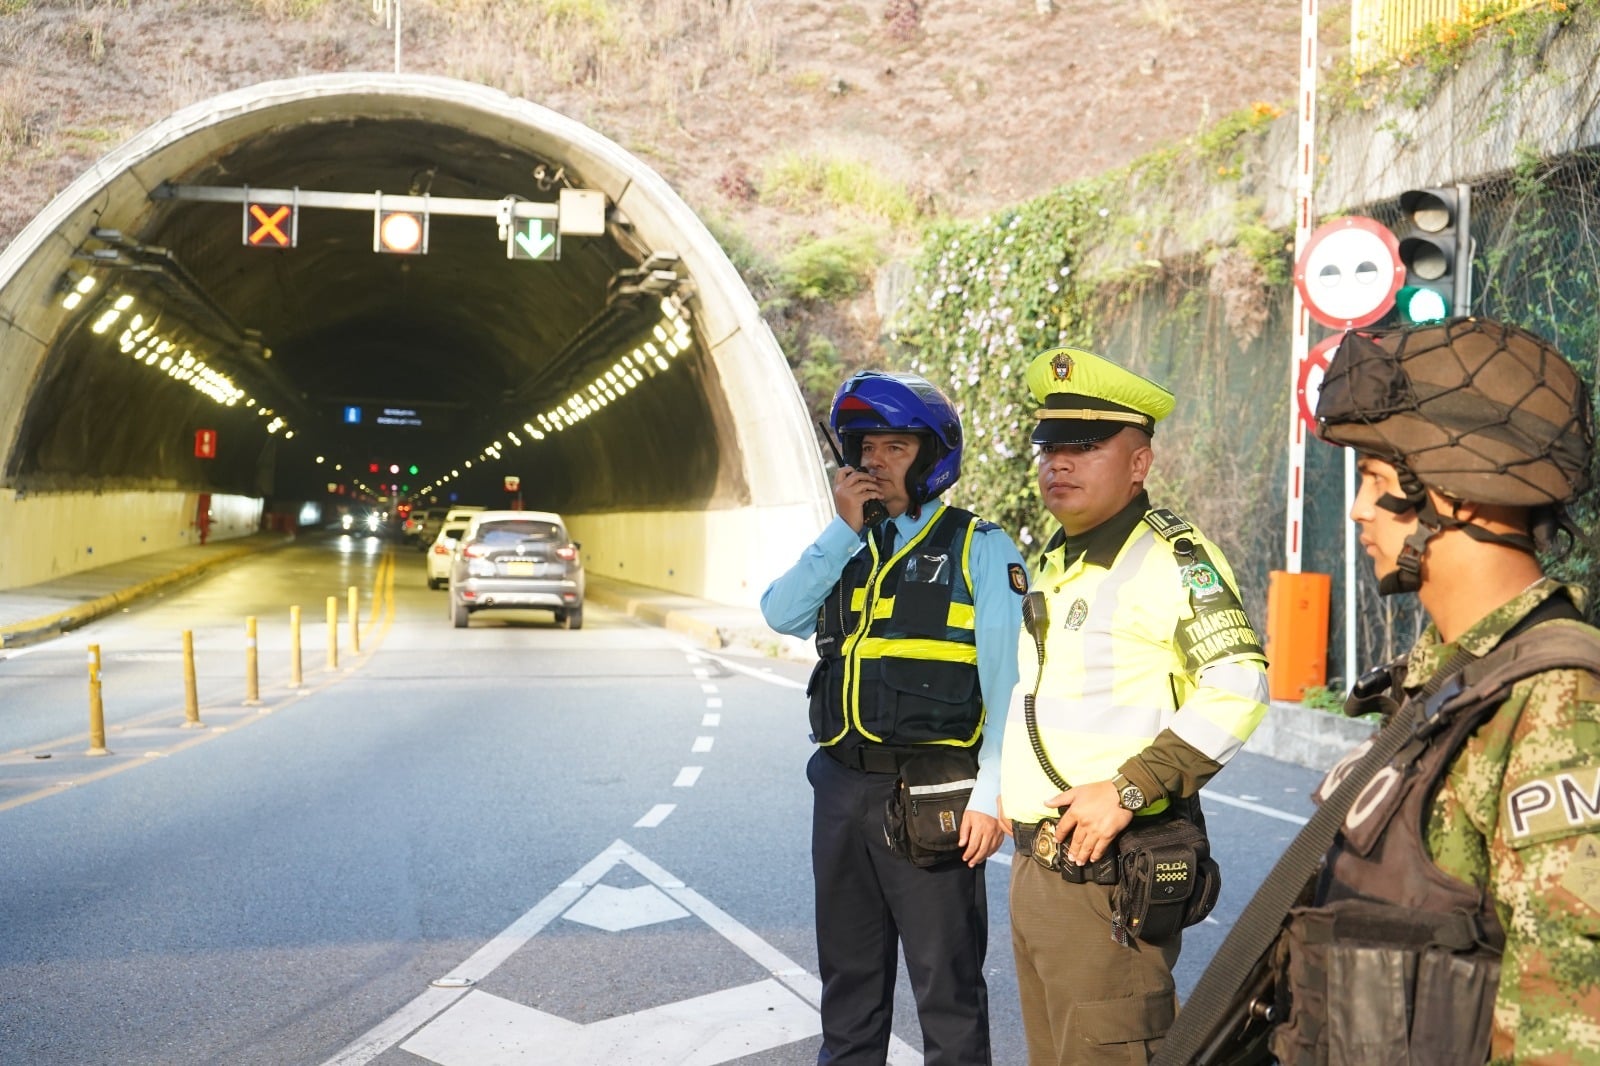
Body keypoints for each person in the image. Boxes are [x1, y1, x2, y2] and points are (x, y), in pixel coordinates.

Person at [1250, 317, 1600, 1065]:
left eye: (1378, 483)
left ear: (1463, 499)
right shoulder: (1448, 677)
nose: (1357, 510)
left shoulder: (1558, 704)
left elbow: (1568, 1022)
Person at [999, 346, 1270, 1064]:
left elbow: (1240, 684)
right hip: (1038, 868)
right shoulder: (1061, 557)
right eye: (1049, 446)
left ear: (1139, 463)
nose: (1058, 462)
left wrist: (1130, 787)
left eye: (1084, 446)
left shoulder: (1171, 556)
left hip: (1107, 873)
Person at [761, 369, 1026, 1066]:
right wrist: (839, 531)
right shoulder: (845, 547)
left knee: (948, 992)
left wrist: (991, 796)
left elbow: (1010, 684)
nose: (875, 461)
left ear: (933, 456)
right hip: (841, 790)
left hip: (934, 798)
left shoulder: (981, 547)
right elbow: (779, 612)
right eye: (865, 447)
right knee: (848, 986)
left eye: (895, 448)